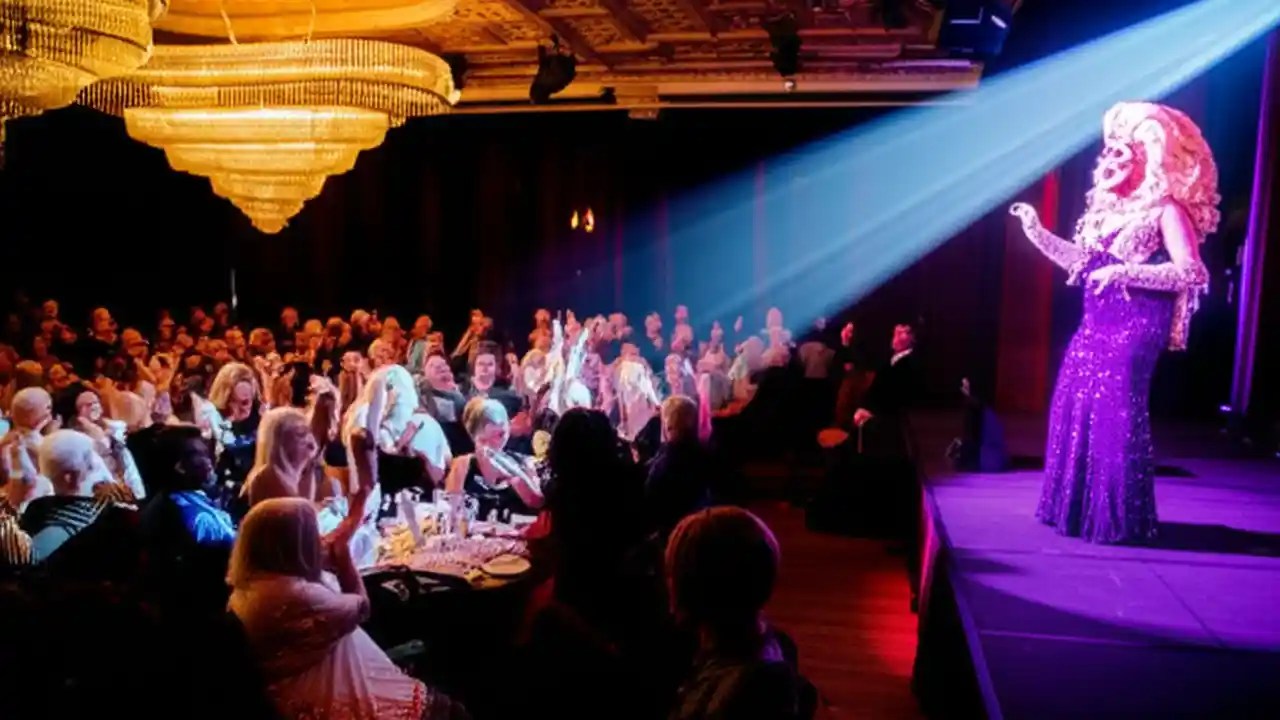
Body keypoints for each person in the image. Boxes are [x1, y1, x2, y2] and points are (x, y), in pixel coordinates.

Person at [1010, 101, 1219, 544]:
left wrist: (1125, 271)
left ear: (1145, 159)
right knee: (1075, 400)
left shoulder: (1165, 209)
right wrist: (1036, 232)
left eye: (1120, 154)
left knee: (1115, 412)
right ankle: (1075, 510)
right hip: (1095, 322)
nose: (1109, 162)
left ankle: (1119, 518)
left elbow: (1191, 272)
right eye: (1106, 154)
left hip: (1136, 323)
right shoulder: (1104, 215)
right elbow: (1081, 263)